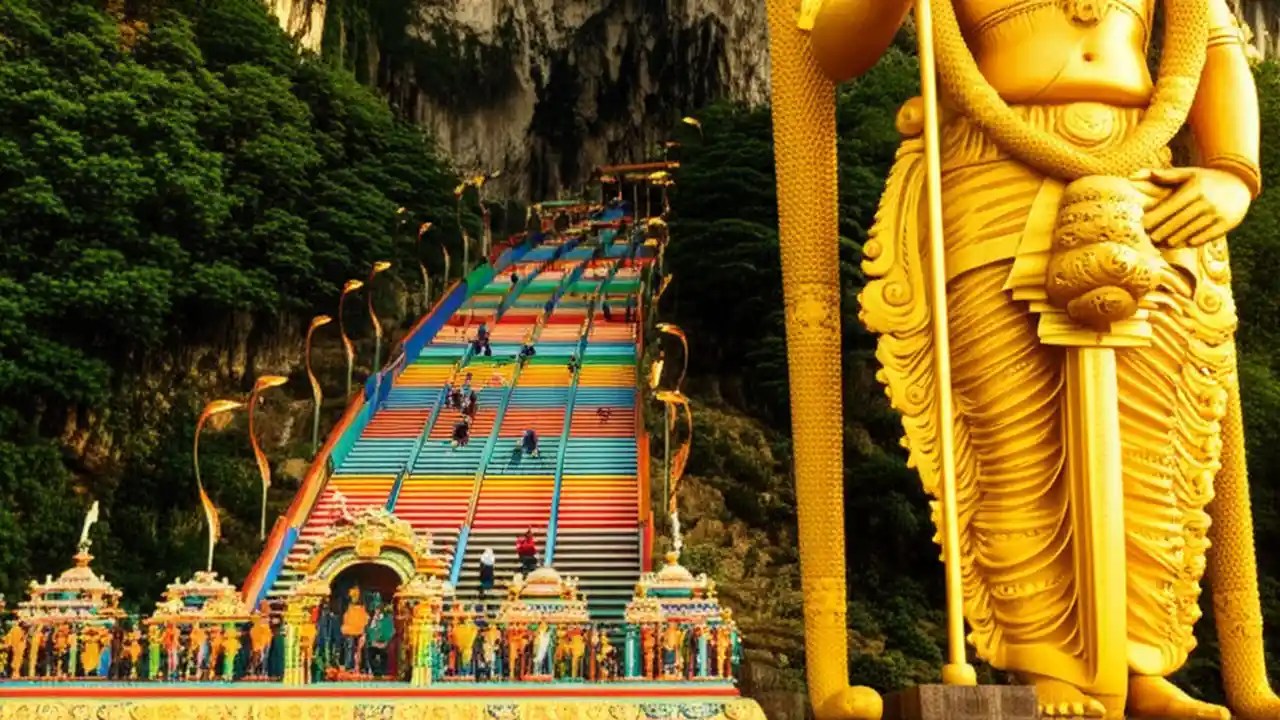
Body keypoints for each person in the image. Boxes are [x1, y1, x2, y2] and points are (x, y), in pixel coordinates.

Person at [784, 2, 1263, 719]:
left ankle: (1141, 661)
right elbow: (835, 50)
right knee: (1013, 435)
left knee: (1156, 438)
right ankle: (1046, 666)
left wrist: (1232, 169)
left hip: (1144, 177)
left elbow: (1216, 43)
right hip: (991, 169)